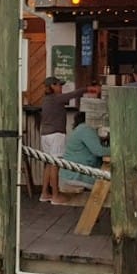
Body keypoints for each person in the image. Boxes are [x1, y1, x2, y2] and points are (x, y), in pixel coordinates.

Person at [37, 76, 89, 204]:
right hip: (56, 134)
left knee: (48, 164)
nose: (61, 87)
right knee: (55, 165)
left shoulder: (46, 100)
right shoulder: (56, 98)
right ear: (52, 86)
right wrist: (87, 89)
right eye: (59, 85)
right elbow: (73, 94)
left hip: (45, 135)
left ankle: (45, 193)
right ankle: (56, 195)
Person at [51, 112, 109, 203]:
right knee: (110, 183)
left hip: (71, 174)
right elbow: (99, 151)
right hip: (76, 175)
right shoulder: (85, 129)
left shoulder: (80, 129)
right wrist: (119, 150)